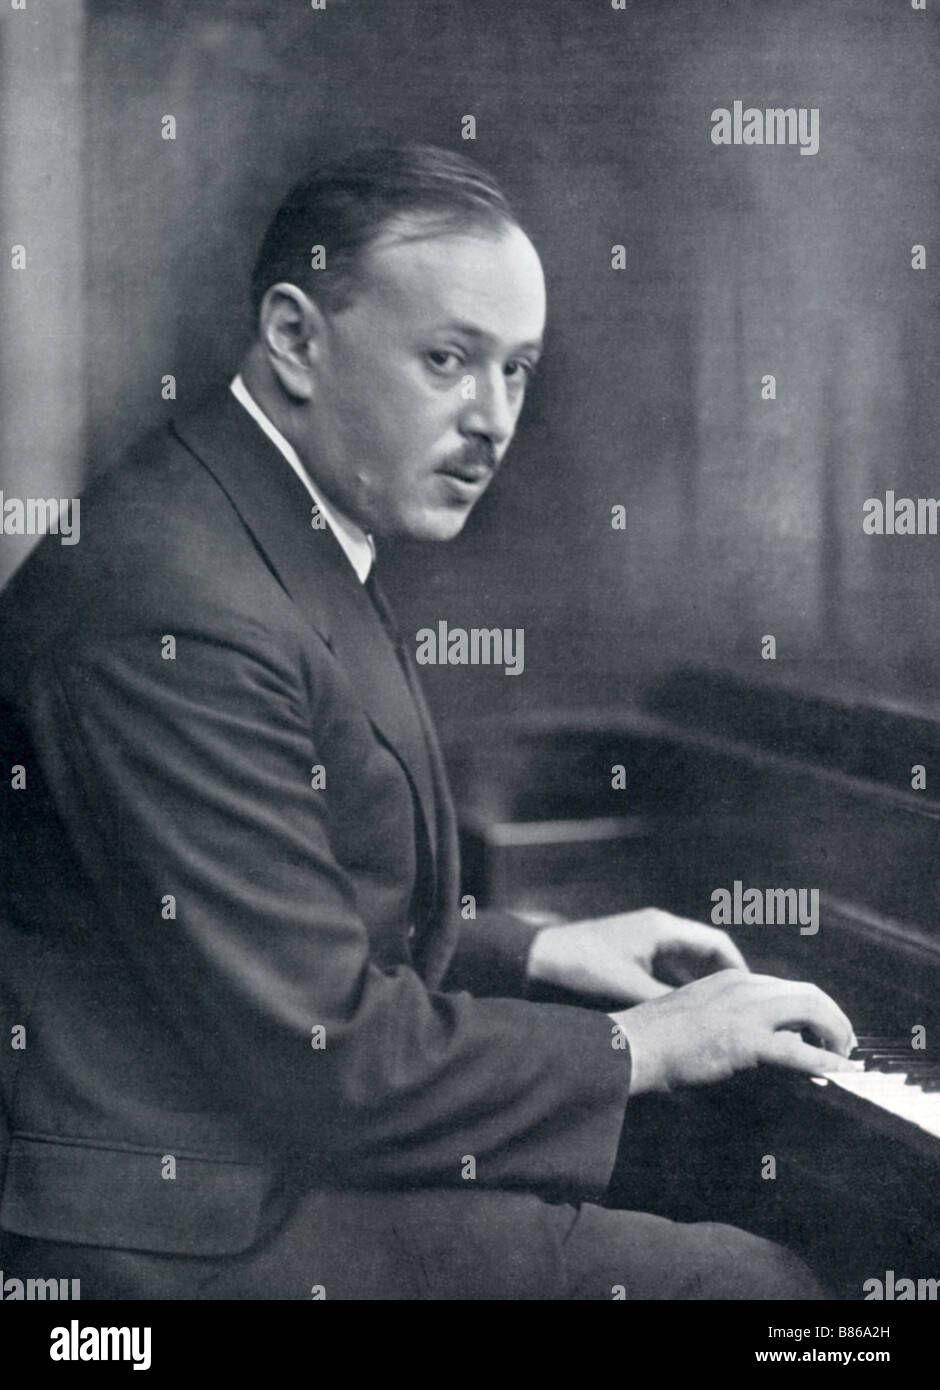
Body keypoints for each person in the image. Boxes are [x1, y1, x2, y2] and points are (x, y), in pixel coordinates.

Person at [0, 144, 859, 1300]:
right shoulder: (175, 603)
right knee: (756, 1291)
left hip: (257, 1148)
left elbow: (303, 911)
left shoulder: (263, 513)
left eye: (517, 371)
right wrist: (645, 1042)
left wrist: (542, 949)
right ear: (297, 338)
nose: (492, 420)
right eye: (449, 360)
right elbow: (328, 1057)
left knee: (731, 1174)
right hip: (176, 1234)